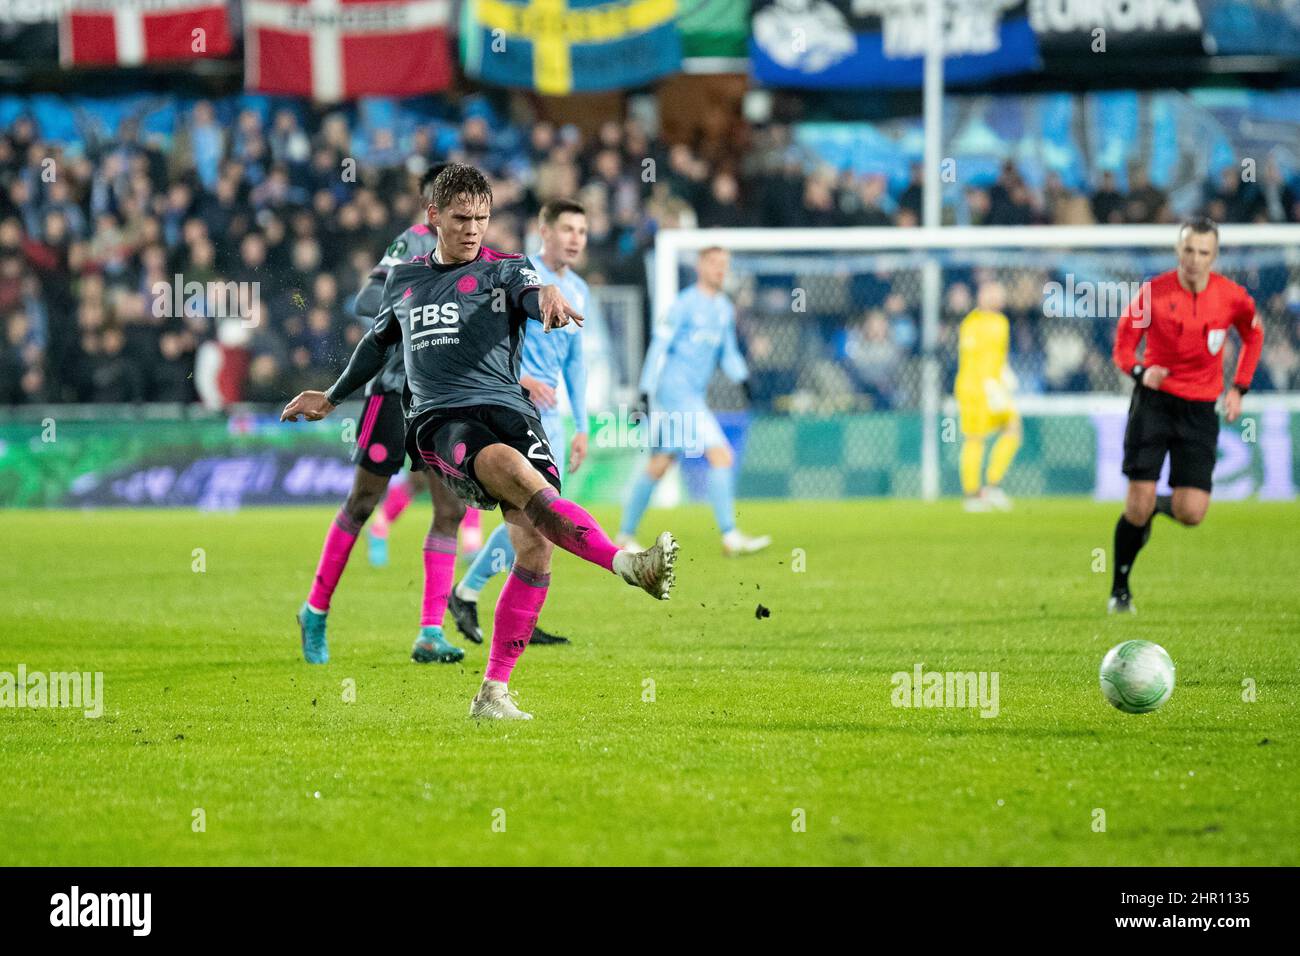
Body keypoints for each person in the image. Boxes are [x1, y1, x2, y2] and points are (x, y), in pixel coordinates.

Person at [282, 164, 678, 720]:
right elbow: (375, 343)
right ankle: (628, 565)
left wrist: (546, 298)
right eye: (462, 218)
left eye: (482, 219)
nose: (473, 229)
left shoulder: (508, 269)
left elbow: (530, 290)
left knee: (536, 547)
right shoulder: (404, 277)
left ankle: (492, 691)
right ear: (434, 216)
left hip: (513, 412)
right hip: (442, 420)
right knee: (492, 474)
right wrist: (331, 394)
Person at [295, 163, 468, 667]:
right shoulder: (411, 244)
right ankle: (315, 611)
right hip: (392, 389)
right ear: (429, 207)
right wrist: (423, 306)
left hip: (440, 397)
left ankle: (430, 632)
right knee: (363, 501)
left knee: (450, 510)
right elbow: (368, 298)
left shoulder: (474, 255)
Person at [449, 198, 594, 646]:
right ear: (544, 230)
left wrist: (583, 425)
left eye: (582, 232)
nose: (575, 239)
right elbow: (479, 341)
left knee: (534, 517)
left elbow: (573, 362)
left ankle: (481, 599)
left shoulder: (580, 291)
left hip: (552, 418)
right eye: (567, 229)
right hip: (509, 408)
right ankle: (479, 597)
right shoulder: (514, 275)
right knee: (535, 512)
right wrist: (524, 377)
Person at [1108, 218, 1263, 613]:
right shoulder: (1153, 294)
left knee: (1191, 513)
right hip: (1154, 404)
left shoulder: (1232, 297)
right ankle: (1120, 590)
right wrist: (1142, 372)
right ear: (1179, 251)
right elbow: (1123, 347)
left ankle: (1154, 508)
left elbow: (1253, 334)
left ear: (1214, 255)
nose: (1194, 259)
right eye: (1188, 250)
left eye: (1203, 252)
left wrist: (1239, 387)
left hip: (1199, 410)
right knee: (1135, 506)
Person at [618, 247, 768, 556]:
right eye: (714, 264)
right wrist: (645, 391)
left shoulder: (724, 309)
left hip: (692, 395)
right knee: (721, 455)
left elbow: (727, 352)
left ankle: (624, 535)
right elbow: (659, 346)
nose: (720, 270)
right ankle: (730, 535)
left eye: (724, 265)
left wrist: (743, 379)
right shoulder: (684, 305)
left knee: (660, 464)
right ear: (701, 266)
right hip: (675, 393)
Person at [955, 281, 1020, 511]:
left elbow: (998, 358)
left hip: (995, 388)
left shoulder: (1001, 322)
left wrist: (1004, 376)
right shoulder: (972, 324)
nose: (998, 297)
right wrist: (988, 385)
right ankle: (972, 495)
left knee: (1012, 430)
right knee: (975, 438)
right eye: (993, 293)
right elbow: (971, 359)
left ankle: (993, 485)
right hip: (974, 389)